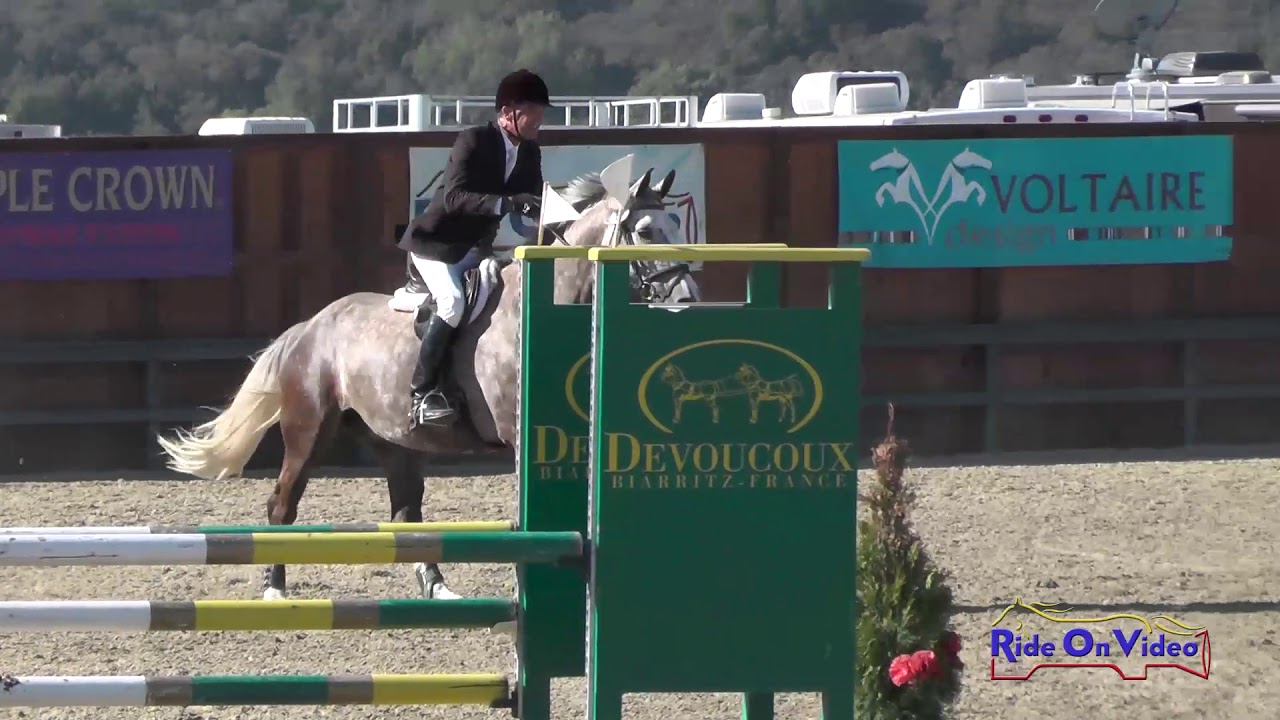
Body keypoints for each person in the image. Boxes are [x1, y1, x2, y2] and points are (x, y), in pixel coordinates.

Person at [396, 69, 550, 429]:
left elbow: (535, 198)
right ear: (509, 112)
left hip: (477, 249)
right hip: (437, 246)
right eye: (534, 111)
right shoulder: (473, 140)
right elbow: (454, 196)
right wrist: (508, 203)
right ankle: (421, 394)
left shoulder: (530, 152)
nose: (541, 119)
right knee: (452, 303)